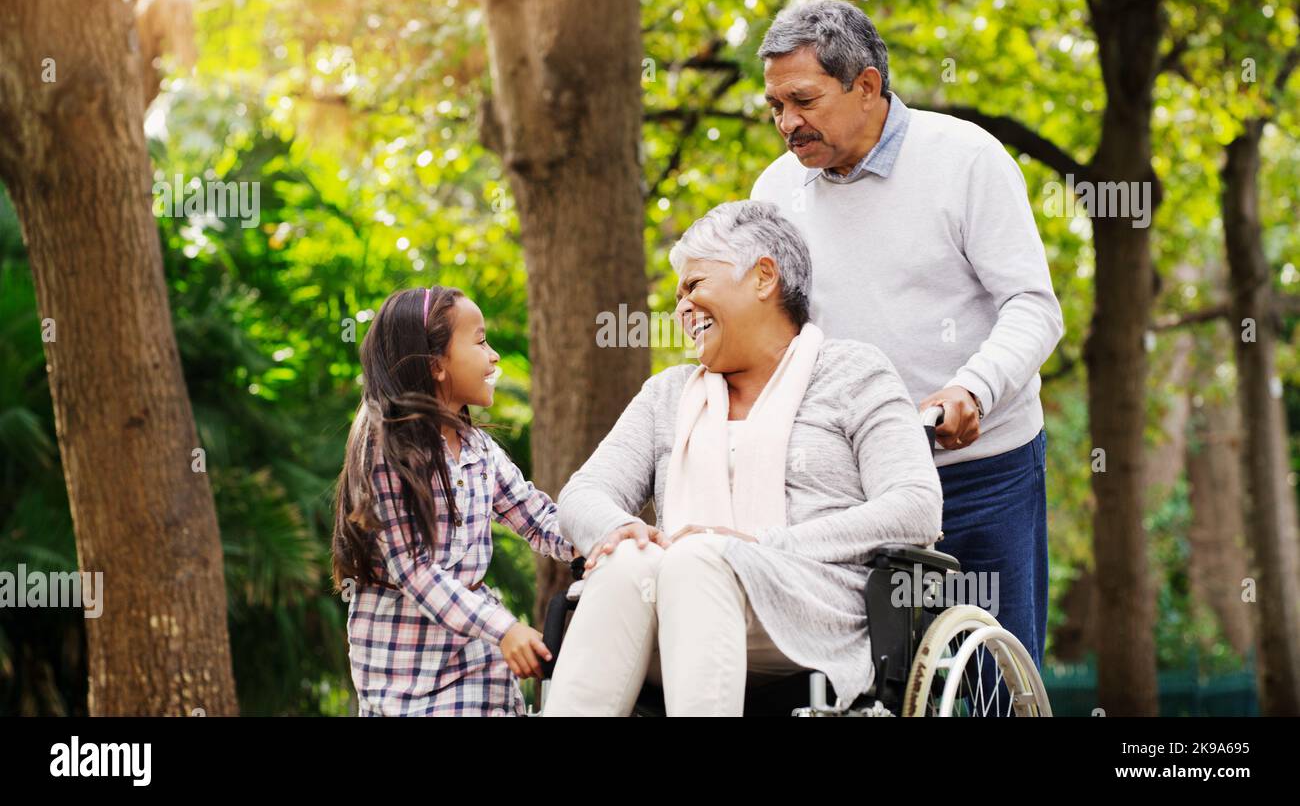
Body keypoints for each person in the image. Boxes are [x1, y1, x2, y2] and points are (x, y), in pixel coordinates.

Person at [750, 0, 1065, 666]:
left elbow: (1034, 306)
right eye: (775, 106)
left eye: (802, 101)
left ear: (865, 86)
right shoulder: (774, 194)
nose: (786, 123)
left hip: (981, 470)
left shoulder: (965, 160)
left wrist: (973, 390)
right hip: (854, 484)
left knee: (992, 676)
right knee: (867, 679)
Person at [543, 201, 942, 716]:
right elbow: (581, 494)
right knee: (629, 560)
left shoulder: (854, 374)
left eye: (695, 286)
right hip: (671, 608)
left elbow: (915, 505)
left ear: (763, 277)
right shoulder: (666, 395)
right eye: (678, 294)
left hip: (812, 614)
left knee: (698, 556)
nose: (681, 307)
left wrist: (762, 547)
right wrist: (620, 528)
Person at [332, 285, 577, 715]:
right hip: (407, 680)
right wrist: (503, 629)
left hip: (474, 663)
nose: (494, 355)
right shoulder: (382, 446)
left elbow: (538, 520)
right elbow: (415, 571)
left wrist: (606, 539)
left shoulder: (478, 449)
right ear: (435, 365)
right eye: (480, 340)